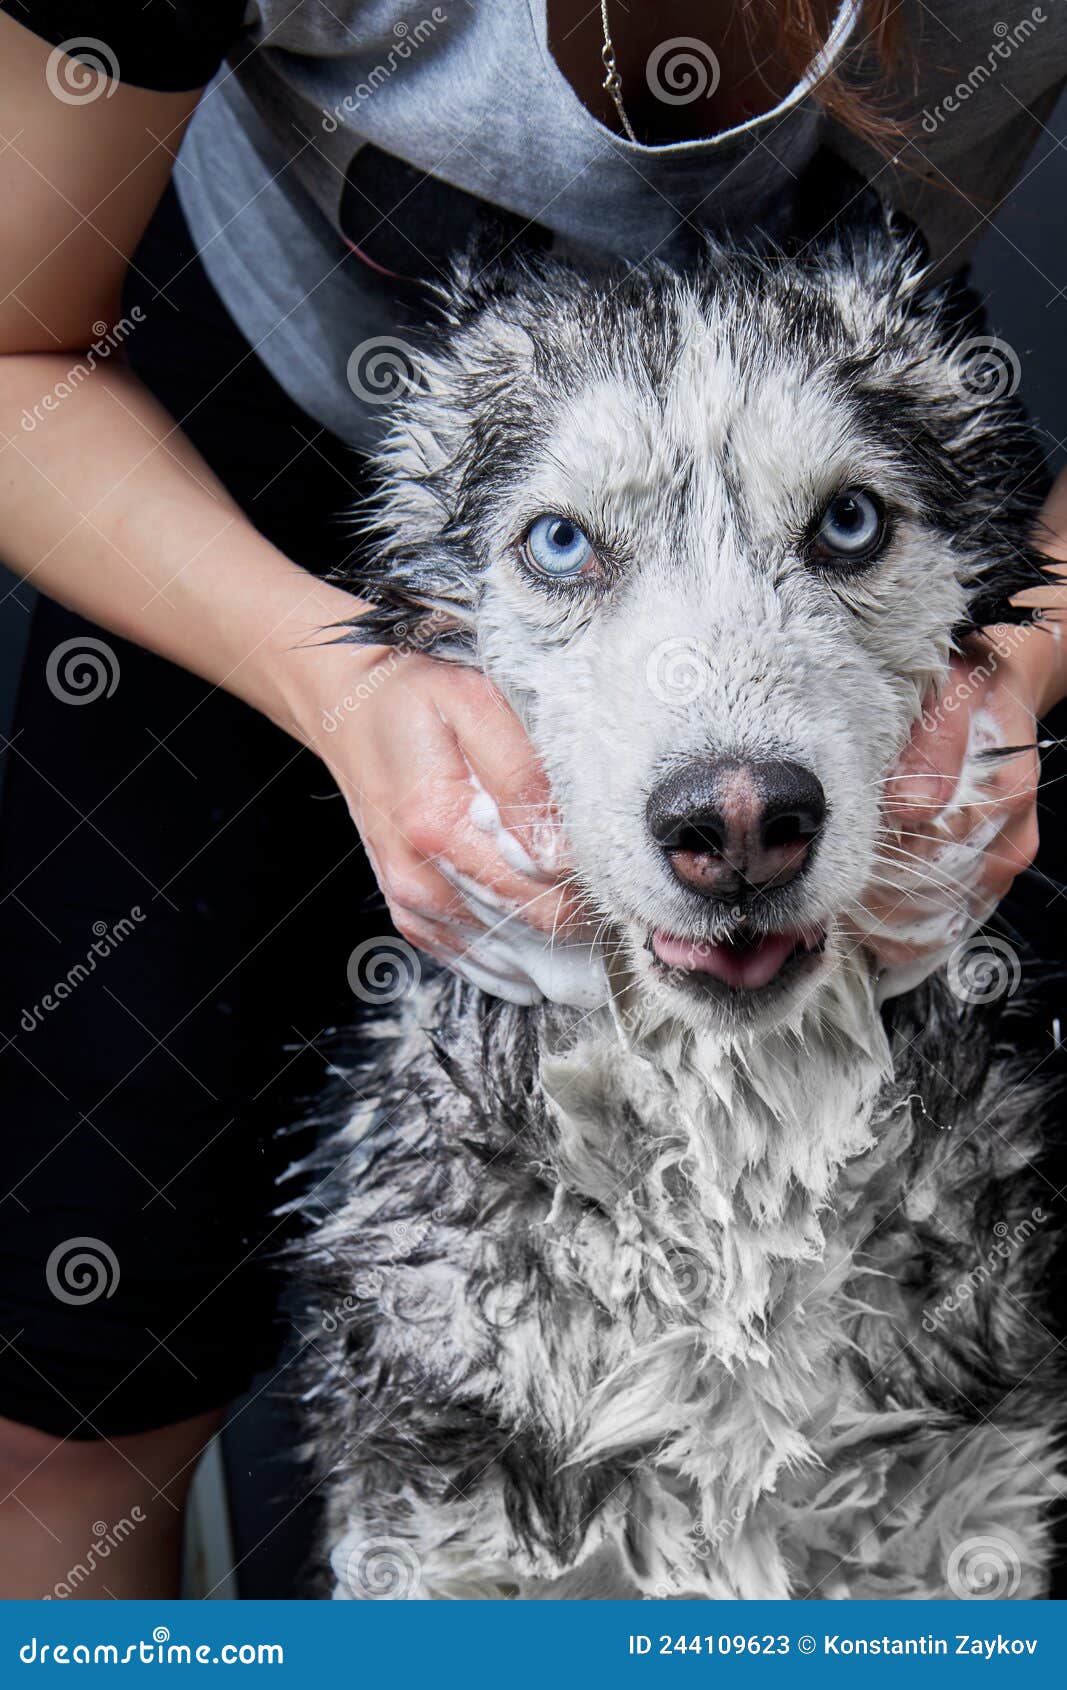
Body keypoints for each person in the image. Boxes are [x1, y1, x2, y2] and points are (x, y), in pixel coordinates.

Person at [0, 1, 1064, 1598]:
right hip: (261, 453)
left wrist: (1025, 665)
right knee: (73, 1371)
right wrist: (335, 681)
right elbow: (9, 350)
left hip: (861, 466)